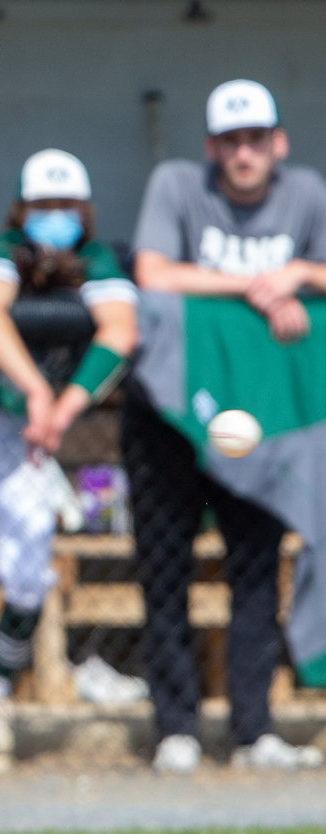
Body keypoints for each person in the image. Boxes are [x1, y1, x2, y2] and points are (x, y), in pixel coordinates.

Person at [125, 79, 326, 773]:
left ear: (279, 142)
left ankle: (252, 730)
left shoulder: (307, 194)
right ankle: (175, 726)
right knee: (165, 569)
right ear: (212, 147)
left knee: (255, 568)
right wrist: (257, 286)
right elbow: (151, 272)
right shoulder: (178, 183)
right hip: (173, 412)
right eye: (231, 141)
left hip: (263, 416)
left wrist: (300, 270)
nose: (245, 153)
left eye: (257, 139)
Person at [0, 149, 138, 769]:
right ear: (21, 209)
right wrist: (40, 391)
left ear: (86, 210)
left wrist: (60, 410)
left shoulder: (96, 259)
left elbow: (119, 330)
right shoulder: (2, 247)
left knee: (30, 559)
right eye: (43, 206)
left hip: (28, 425)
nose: (55, 218)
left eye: (66, 206)